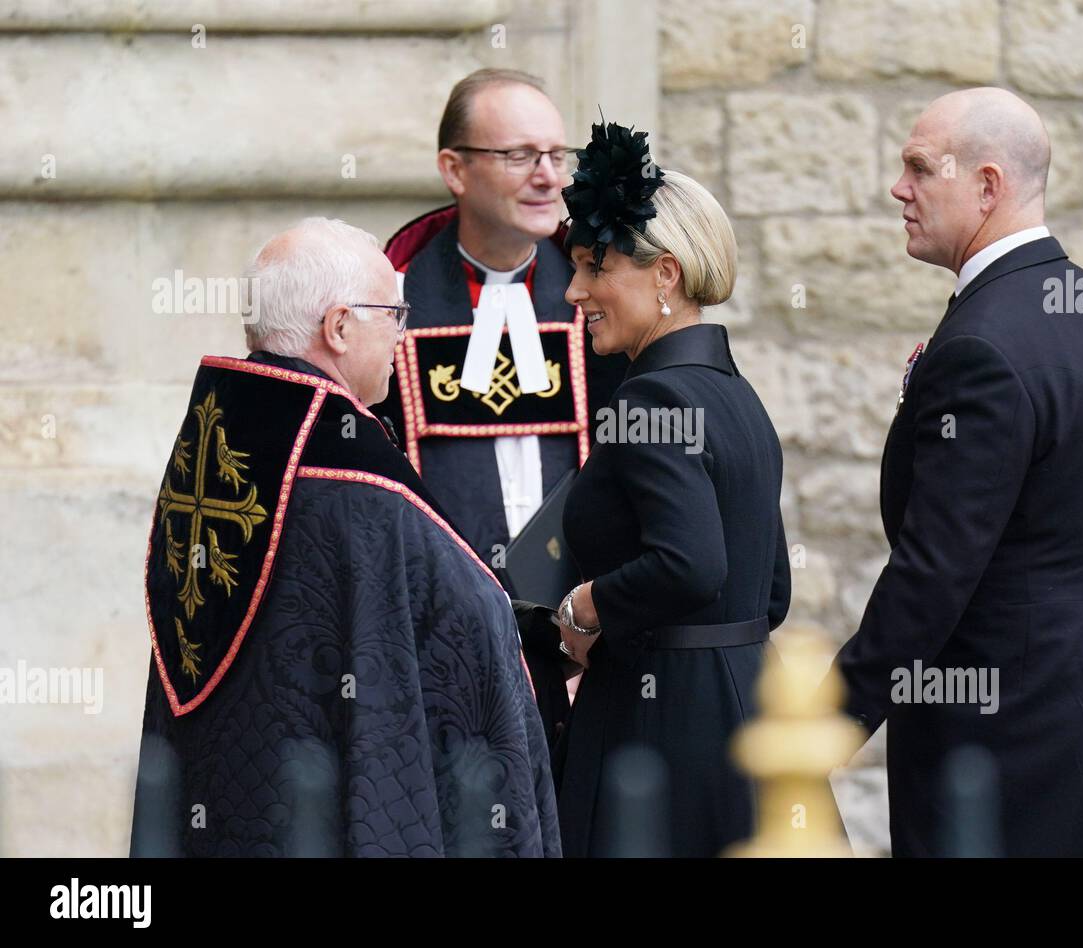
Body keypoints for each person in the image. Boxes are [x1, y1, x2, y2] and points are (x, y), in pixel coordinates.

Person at [130, 218, 561, 857]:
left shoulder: (213, 444)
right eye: (393, 313)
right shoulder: (355, 487)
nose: (402, 334)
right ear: (338, 327)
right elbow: (471, 623)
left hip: (233, 796)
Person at [829, 88, 1083, 856]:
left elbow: (935, 572)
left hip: (1001, 739)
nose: (899, 189)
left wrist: (827, 720)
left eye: (920, 169)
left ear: (987, 185)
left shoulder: (981, 347)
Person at [551, 120, 792, 857]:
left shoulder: (649, 401)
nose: (574, 290)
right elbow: (772, 590)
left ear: (666, 275)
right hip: (751, 706)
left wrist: (584, 609)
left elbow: (690, 564)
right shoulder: (736, 394)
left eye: (596, 268)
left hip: (662, 727)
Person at [377, 69, 626, 747]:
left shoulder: (606, 298)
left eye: (557, 155)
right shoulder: (391, 303)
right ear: (453, 169)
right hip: (444, 657)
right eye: (519, 156)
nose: (549, 176)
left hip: (587, 647)